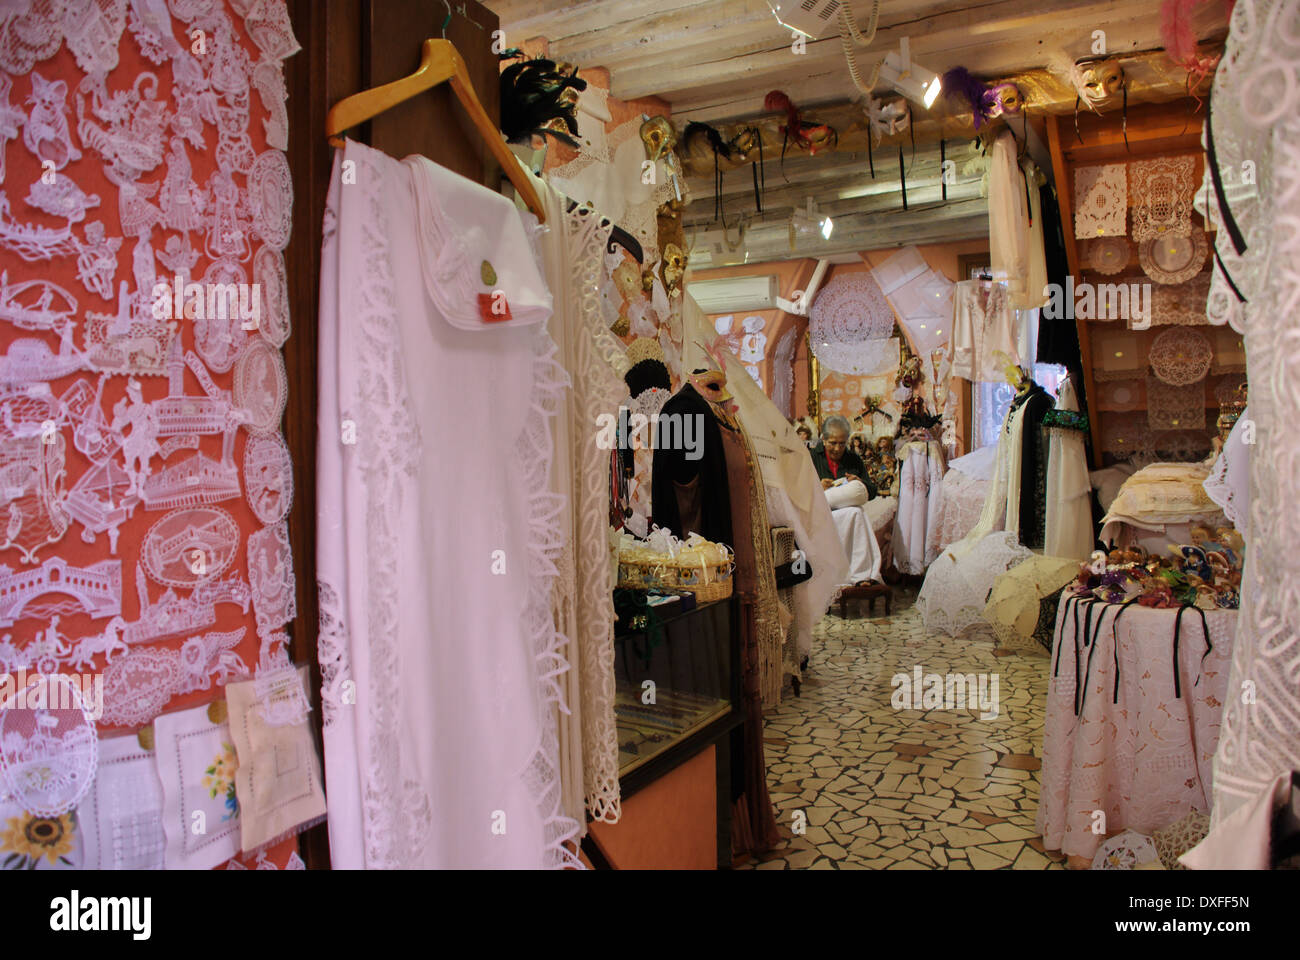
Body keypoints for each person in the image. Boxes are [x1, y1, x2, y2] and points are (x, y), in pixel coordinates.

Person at [810, 415, 873, 494]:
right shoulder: (811, 458)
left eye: (842, 443)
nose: (837, 448)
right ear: (824, 440)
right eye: (833, 443)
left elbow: (872, 491)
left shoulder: (854, 459)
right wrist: (817, 488)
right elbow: (797, 492)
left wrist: (860, 483)